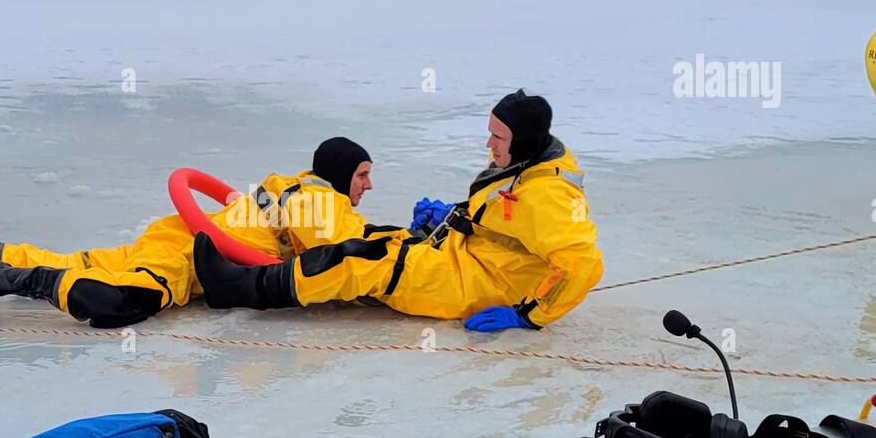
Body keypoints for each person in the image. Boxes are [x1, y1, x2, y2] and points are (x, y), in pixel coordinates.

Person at [193, 90, 604, 332]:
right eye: (490, 133)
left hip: (474, 285)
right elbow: (508, 224)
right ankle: (259, 279)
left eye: (498, 136)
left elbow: (581, 263)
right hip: (464, 258)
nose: (488, 144)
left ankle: (240, 288)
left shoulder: (549, 193)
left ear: (525, 141)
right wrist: (452, 218)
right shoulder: (522, 166)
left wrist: (528, 315)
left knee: (360, 261)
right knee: (377, 239)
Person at [0, 137, 400, 328]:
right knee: (129, 299)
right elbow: (341, 264)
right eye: (362, 174)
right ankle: (14, 278)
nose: (369, 185)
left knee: (88, 262)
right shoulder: (324, 201)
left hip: (178, 232)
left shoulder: (291, 187)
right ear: (340, 173)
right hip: (192, 257)